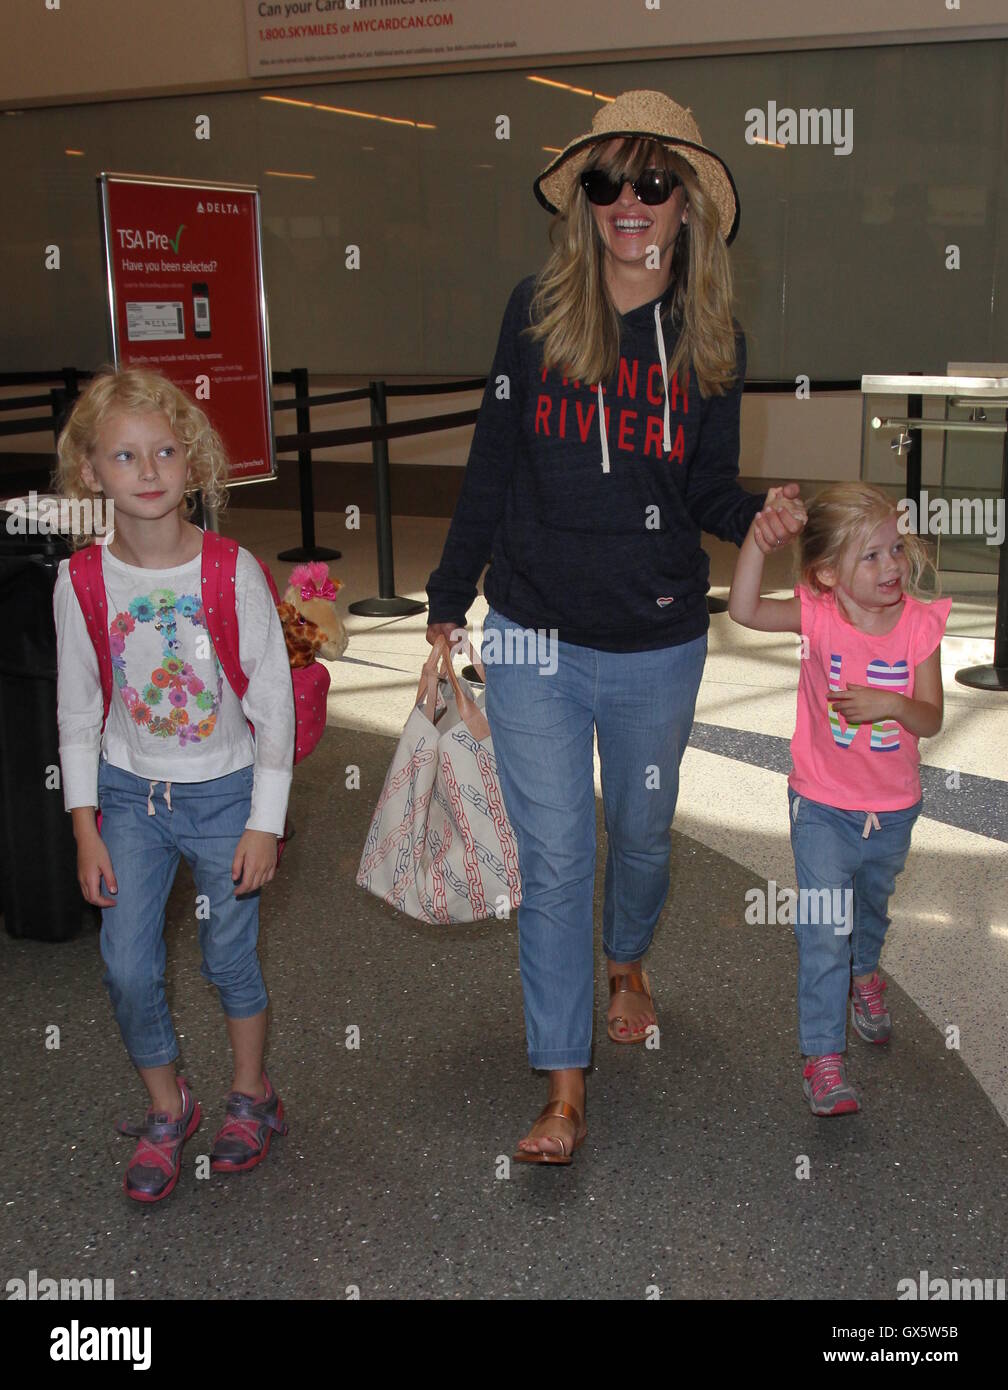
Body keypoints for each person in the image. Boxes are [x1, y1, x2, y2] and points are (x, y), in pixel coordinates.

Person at [425, 91, 802, 1163]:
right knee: (554, 864)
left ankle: (627, 958)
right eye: (607, 183)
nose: (627, 202)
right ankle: (563, 1083)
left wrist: (759, 518)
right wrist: (450, 599)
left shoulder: (711, 333)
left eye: (651, 183)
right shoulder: (535, 313)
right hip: (535, 632)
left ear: (686, 206)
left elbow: (705, 492)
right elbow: (495, 458)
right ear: (584, 202)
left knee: (636, 837)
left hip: (657, 639)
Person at [52, 368, 294, 1200]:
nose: (148, 471)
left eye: (165, 453)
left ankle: (252, 1094)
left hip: (226, 794)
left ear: (192, 465)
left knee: (230, 957)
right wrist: (83, 823)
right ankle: (169, 1106)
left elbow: (273, 705)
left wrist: (266, 822)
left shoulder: (231, 571)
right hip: (127, 798)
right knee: (125, 965)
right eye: (124, 455)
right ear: (91, 472)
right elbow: (79, 711)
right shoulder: (80, 582)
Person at [729, 482, 951, 1115]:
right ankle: (822, 1058)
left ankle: (866, 975)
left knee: (871, 912)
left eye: (895, 550)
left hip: (893, 808)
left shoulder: (919, 626)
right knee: (826, 928)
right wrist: (757, 537)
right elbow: (743, 609)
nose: (893, 567)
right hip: (821, 805)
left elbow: (931, 718)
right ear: (827, 573)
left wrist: (893, 704)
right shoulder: (818, 615)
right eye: (872, 557)